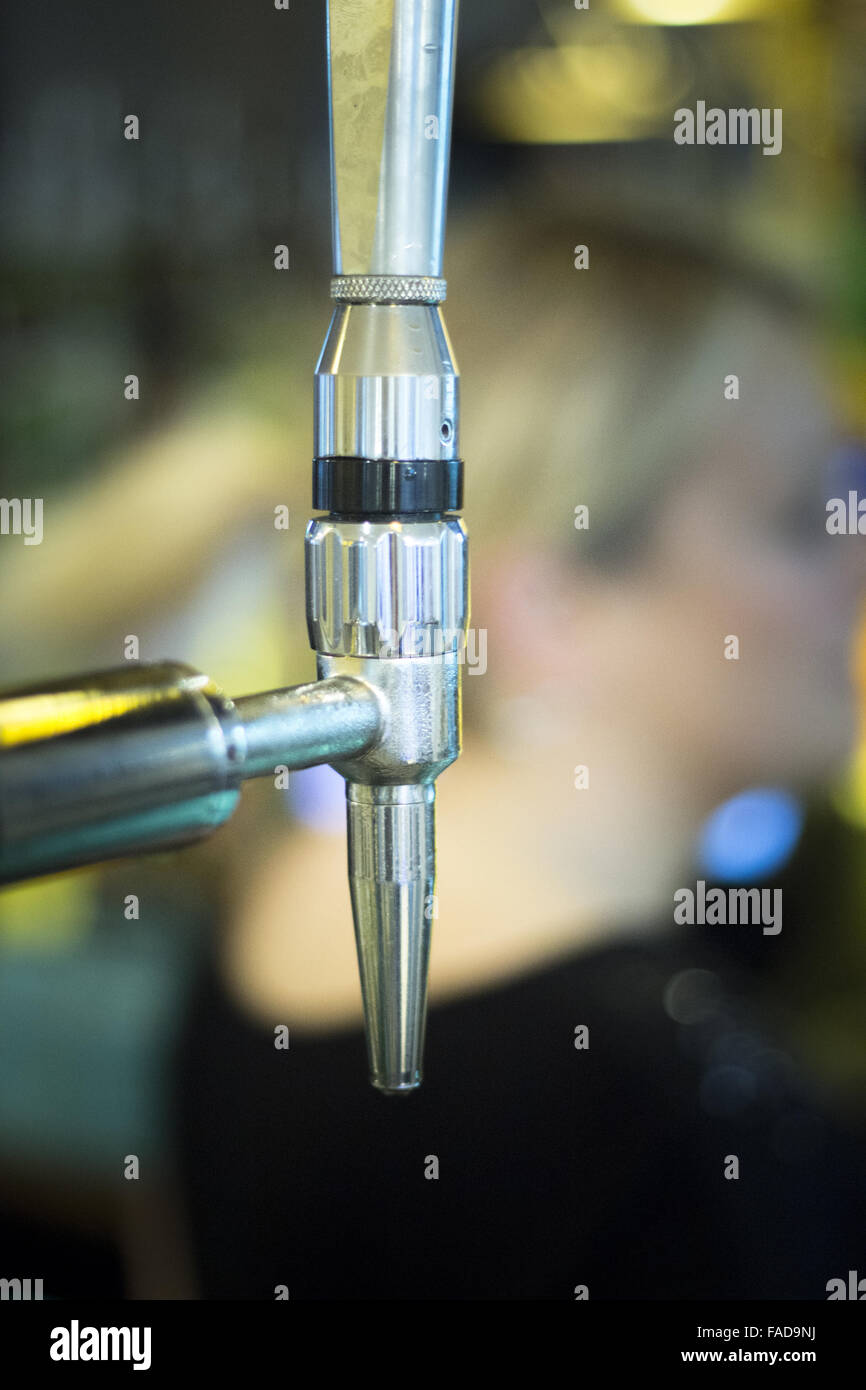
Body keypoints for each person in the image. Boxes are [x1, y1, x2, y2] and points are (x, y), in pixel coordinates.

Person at [173, 197, 866, 1300]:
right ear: (546, 610)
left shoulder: (285, 903)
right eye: (800, 515)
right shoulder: (652, 1091)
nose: (855, 567)